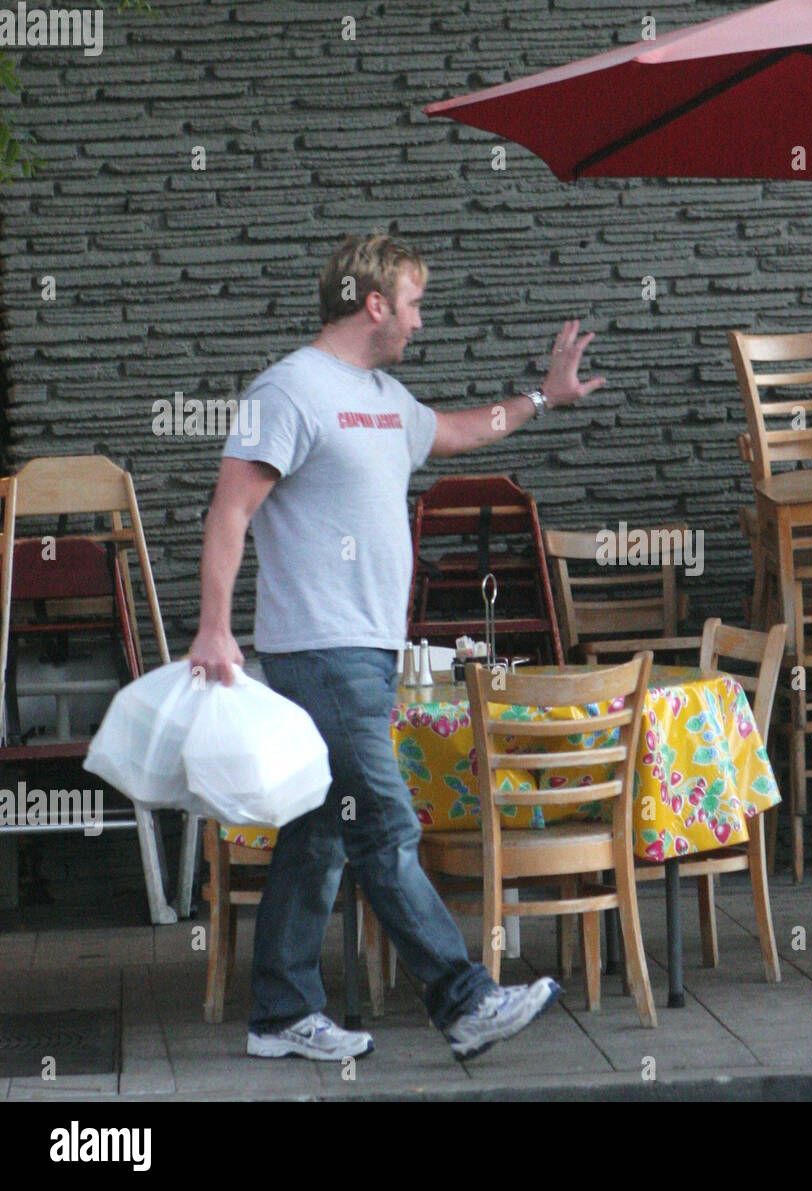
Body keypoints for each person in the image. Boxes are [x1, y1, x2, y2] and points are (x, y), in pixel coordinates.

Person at [188, 233, 607, 1062]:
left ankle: (280, 1011)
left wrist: (540, 397)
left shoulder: (380, 395)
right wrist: (212, 626)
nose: (420, 320)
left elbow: (455, 431)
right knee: (383, 826)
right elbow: (228, 511)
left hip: (367, 650)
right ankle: (464, 998)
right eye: (413, 303)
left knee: (321, 831)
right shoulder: (290, 390)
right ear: (373, 302)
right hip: (322, 649)